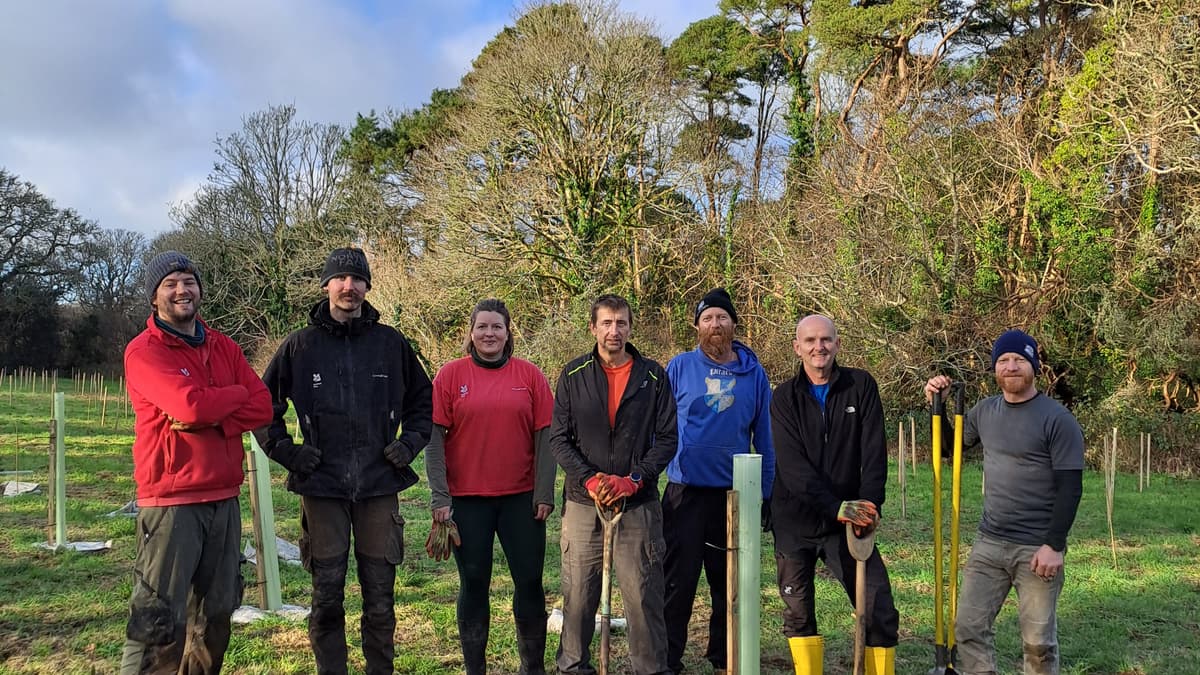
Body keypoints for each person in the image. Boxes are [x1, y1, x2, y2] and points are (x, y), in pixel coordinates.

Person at [257, 247, 433, 675]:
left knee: (380, 599)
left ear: (368, 287)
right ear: (326, 285)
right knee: (327, 596)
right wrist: (288, 452)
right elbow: (263, 406)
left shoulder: (390, 344)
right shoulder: (301, 345)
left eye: (357, 280)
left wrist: (408, 445)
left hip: (378, 485)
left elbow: (423, 402)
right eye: (340, 279)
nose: (349, 287)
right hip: (322, 487)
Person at [120, 250, 274, 674]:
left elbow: (262, 406)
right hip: (172, 502)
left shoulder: (224, 346)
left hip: (224, 497)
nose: (181, 290)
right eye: (170, 284)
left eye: (188, 281)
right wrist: (228, 400)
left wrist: (217, 412)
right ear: (154, 297)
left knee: (217, 616)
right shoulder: (144, 351)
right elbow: (187, 407)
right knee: (159, 619)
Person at [924, 329, 1084, 675]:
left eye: (1019, 360)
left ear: (1034, 367)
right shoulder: (984, 412)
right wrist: (936, 405)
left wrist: (1054, 545)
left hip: (1037, 548)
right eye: (1003, 361)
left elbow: (1071, 486)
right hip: (990, 543)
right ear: (995, 369)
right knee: (968, 629)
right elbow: (949, 449)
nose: (1010, 367)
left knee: (1038, 644)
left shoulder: (1057, 419)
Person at [425, 298, 556, 675]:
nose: (489, 333)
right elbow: (434, 439)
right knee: (475, 581)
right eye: (482, 326)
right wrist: (440, 496)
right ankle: (474, 669)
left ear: (508, 332)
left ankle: (532, 668)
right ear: (470, 332)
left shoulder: (530, 376)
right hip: (467, 501)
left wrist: (543, 492)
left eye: (497, 327)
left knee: (530, 582)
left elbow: (546, 436)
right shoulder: (450, 376)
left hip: (521, 500)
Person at [550, 293, 677, 675]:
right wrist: (589, 479)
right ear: (593, 327)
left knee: (642, 596)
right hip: (583, 503)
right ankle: (573, 666)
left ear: (630, 327)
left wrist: (633, 480)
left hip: (637, 505)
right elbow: (558, 438)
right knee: (578, 595)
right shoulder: (572, 375)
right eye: (606, 323)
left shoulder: (653, 376)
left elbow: (668, 438)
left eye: (621, 322)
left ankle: (650, 669)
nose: (614, 330)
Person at [770, 315, 899, 675]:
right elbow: (793, 469)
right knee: (798, 612)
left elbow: (874, 453)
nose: (818, 347)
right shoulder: (783, 398)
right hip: (795, 521)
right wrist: (836, 506)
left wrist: (869, 506)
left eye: (826, 339)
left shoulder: (861, 386)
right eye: (809, 341)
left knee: (878, 607)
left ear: (838, 344)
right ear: (797, 348)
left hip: (848, 522)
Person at [661, 288, 775, 674]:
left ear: (733, 324)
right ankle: (668, 657)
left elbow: (766, 436)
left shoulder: (754, 374)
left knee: (729, 585)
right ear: (697, 326)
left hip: (735, 495)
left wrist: (765, 492)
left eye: (722, 317)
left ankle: (725, 656)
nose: (715, 324)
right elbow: (658, 430)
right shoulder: (678, 368)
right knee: (677, 581)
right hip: (685, 492)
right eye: (707, 318)